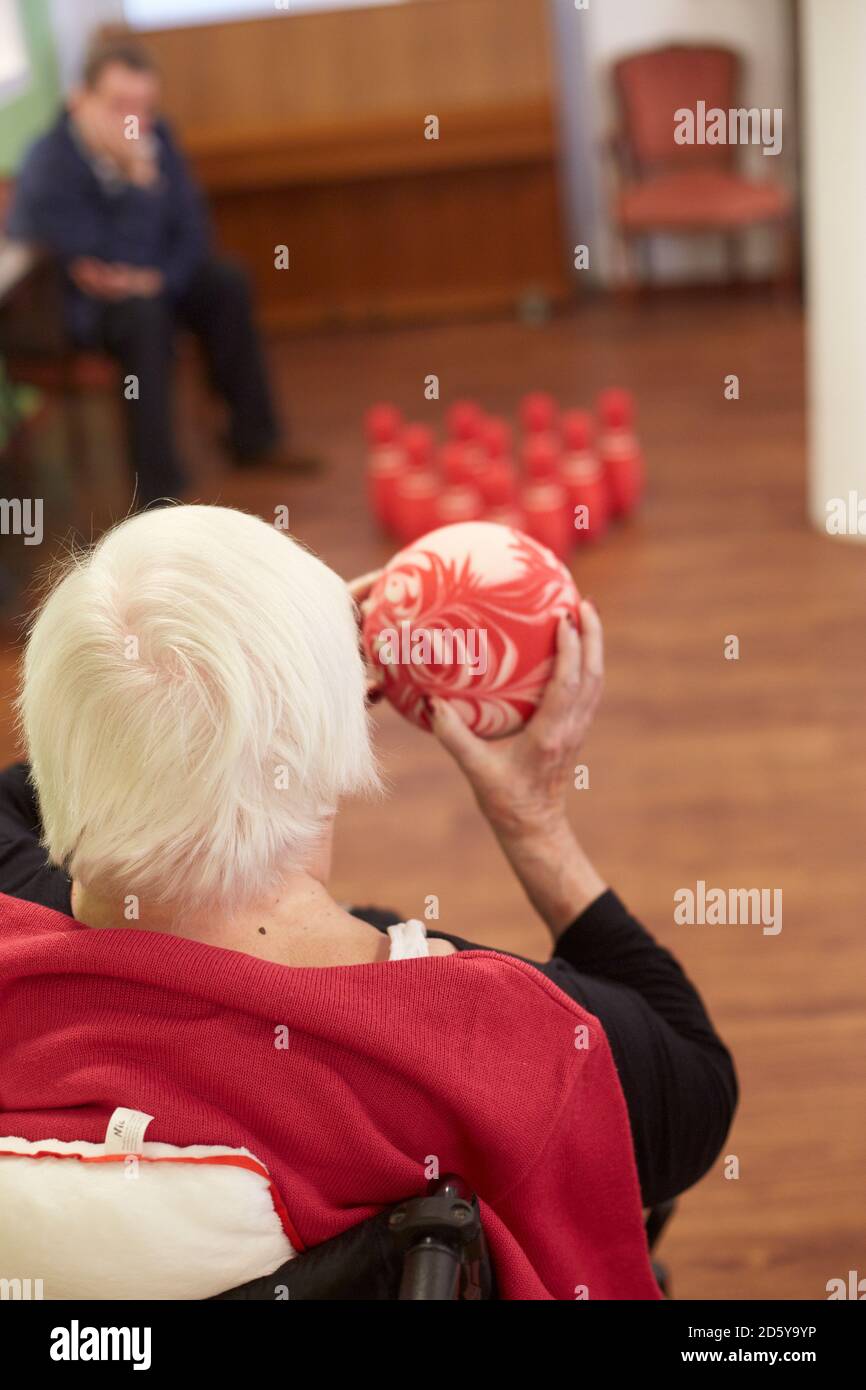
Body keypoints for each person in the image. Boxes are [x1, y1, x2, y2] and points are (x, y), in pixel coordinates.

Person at [0, 505, 736, 1300]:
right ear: (336, 739)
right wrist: (536, 824)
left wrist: (139, 714)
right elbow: (697, 1079)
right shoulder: (493, 1041)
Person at [6, 35, 299, 508]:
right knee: (143, 315)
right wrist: (137, 185)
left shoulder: (158, 136)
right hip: (83, 313)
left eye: (144, 107)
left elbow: (193, 232)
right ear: (80, 100)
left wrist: (157, 278)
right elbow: (90, 256)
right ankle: (161, 492)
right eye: (120, 104)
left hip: (152, 286)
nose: (133, 121)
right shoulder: (50, 161)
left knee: (226, 279)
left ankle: (255, 438)